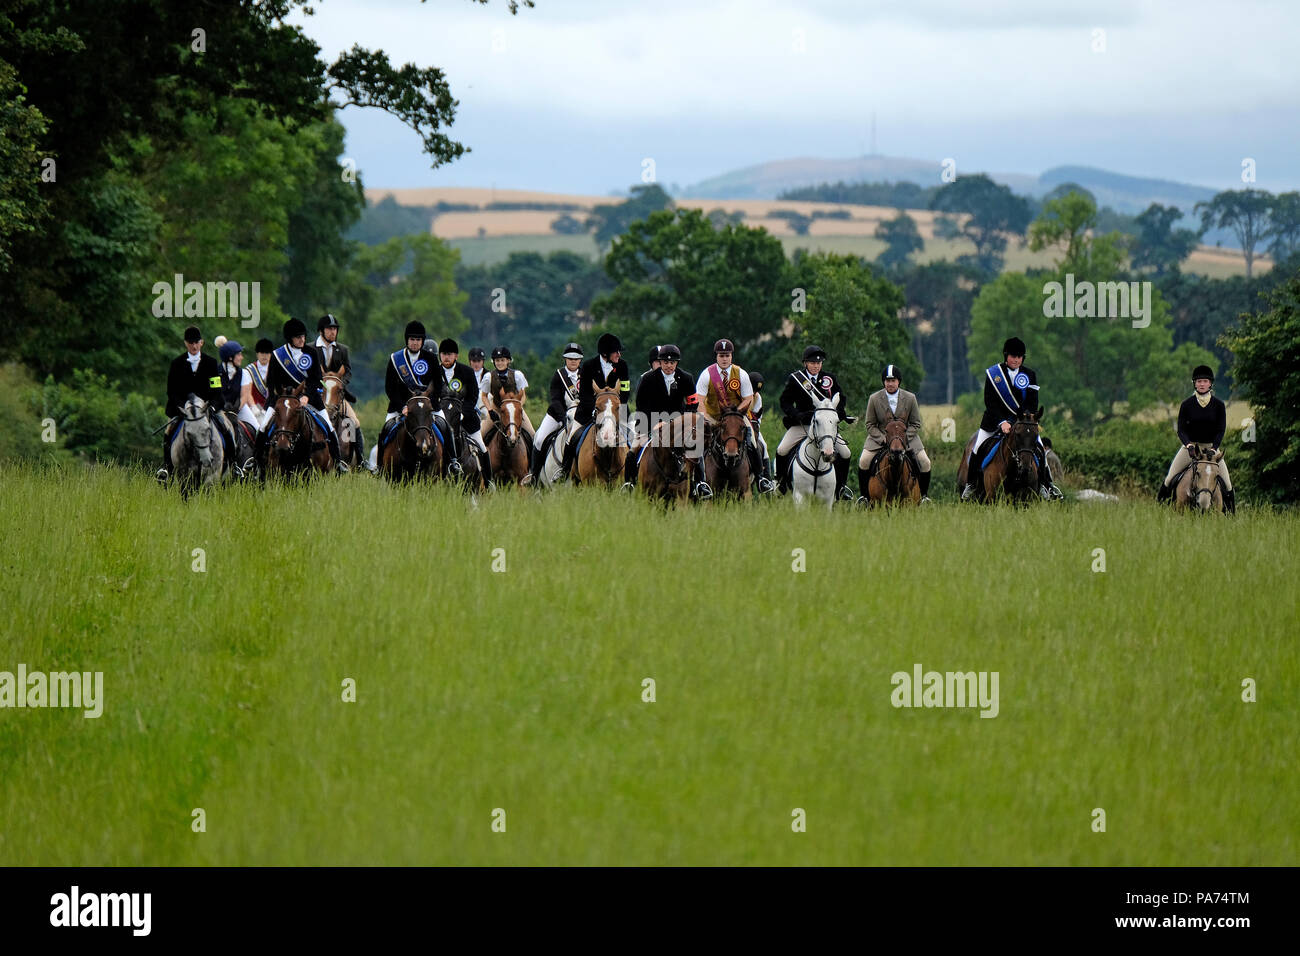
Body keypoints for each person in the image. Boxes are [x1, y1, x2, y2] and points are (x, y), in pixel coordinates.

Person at [962, 336, 1060, 501]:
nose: (1016, 360)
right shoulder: (994, 374)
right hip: (994, 421)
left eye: (1019, 356)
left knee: (1040, 451)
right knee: (977, 449)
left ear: (1023, 358)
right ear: (1006, 356)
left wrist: (1020, 421)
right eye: (1013, 356)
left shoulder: (1030, 374)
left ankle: (1046, 485)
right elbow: (990, 402)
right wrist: (1002, 422)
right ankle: (971, 485)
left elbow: (1033, 402)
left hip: (1022, 423)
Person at [258, 316, 343, 470]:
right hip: (282, 400)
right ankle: (256, 464)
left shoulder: (311, 352)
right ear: (290, 339)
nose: (302, 340)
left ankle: (338, 463)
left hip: (309, 399)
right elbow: (271, 381)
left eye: (303, 336)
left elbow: (316, 379)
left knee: (329, 428)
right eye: (298, 337)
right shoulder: (278, 355)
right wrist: (279, 397)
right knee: (263, 427)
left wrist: (306, 396)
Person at [694, 337, 773, 494]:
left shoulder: (741, 374)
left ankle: (761, 478)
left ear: (731, 356)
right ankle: (698, 482)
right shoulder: (706, 375)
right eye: (721, 355)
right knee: (695, 442)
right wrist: (708, 418)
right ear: (716, 356)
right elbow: (699, 402)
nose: (724, 359)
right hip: (713, 417)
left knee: (753, 440)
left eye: (727, 355)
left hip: (736, 417)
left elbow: (748, 398)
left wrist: (735, 413)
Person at [775, 345, 854, 500]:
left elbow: (841, 399)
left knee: (846, 453)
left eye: (819, 363)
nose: (816, 365)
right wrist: (797, 415)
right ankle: (781, 483)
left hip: (826, 428)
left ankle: (841, 488)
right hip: (803, 425)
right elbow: (785, 402)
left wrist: (837, 414)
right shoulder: (796, 379)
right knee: (782, 450)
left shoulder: (829, 379)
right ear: (805, 363)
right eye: (812, 363)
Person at [1157, 364, 1233, 512]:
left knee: (1228, 484)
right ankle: (1160, 509)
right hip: (1190, 449)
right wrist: (1188, 445)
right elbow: (1181, 430)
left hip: (1211, 449)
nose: (1202, 384)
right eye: (1199, 381)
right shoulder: (1187, 404)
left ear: (1210, 383)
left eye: (1205, 381)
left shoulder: (1219, 405)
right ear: (1194, 383)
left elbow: (1221, 430)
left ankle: (1231, 515)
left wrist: (1214, 448)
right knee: (1169, 478)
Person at [159, 325, 231, 482]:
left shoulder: (211, 363)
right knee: (168, 432)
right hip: (183, 409)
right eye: (190, 342)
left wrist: (211, 406)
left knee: (226, 428)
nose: (193, 346)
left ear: (202, 343)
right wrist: (182, 406)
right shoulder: (176, 364)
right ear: (186, 343)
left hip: (207, 407)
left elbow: (216, 390)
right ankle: (166, 468)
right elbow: (171, 392)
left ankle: (232, 464)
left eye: (196, 342)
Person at [368, 320, 439, 471]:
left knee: (445, 428)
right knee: (385, 430)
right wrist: (402, 406)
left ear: (422, 341)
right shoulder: (396, 359)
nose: (415, 343)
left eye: (418, 340)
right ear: (407, 340)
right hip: (401, 406)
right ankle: (380, 466)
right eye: (412, 339)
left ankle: (451, 462)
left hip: (426, 407)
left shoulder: (432, 358)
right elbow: (390, 388)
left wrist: (430, 404)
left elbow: (438, 385)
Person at [623, 343, 697, 489]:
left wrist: (681, 423)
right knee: (633, 451)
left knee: (696, 450)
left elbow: (692, 404)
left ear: (677, 363)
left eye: (672, 362)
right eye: (665, 362)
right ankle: (629, 483)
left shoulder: (687, 378)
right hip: (651, 424)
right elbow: (642, 407)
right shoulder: (648, 379)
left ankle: (699, 484)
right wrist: (653, 424)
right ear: (660, 362)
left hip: (679, 426)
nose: (669, 365)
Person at [560, 332, 631, 479]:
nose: (619, 354)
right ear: (605, 353)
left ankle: (632, 477)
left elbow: (625, 392)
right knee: (572, 437)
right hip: (588, 412)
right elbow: (585, 394)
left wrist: (615, 410)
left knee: (634, 439)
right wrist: (596, 410)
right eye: (616, 352)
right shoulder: (588, 366)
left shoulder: (623, 366)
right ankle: (564, 472)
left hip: (617, 411)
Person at [858, 364, 932, 502]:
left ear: (898, 381)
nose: (890, 383)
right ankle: (865, 497)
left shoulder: (910, 398)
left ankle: (923, 497)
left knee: (925, 462)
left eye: (893, 380)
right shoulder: (874, 398)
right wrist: (883, 439)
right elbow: (870, 424)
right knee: (863, 461)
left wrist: (902, 438)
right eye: (887, 380)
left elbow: (916, 423)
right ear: (884, 382)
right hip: (880, 436)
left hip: (906, 438)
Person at [432, 338, 491, 482]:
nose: (446, 357)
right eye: (444, 354)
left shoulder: (467, 372)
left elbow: (472, 396)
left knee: (482, 448)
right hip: (440, 418)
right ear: (440, 355)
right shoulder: (434, 372)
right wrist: (439, 413)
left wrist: (463, 414)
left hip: (466, 419)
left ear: (456, 356)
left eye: (450, 354)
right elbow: (432, 396)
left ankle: (489, 481)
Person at [534, 342, 584, 468]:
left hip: (580, 417)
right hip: (557, 415)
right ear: (565, 359)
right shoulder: (558, 375)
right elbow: (555, 400)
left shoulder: (586, 376)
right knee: (539, 440)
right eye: (570, 358)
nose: (573, 361)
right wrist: (563, 418)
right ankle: (534, 475)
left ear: (580, 360)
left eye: (576, 358)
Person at [238, 337, 274, 433]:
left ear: (271, 354)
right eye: (262, 353)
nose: (264, 356)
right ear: (257, 354)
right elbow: (247, 392)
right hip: (255, 409)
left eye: (267, 353)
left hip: (271, 408)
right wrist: (254, 408)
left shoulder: (276, 369)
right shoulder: (249, 370)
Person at [749, 370, 773, 486]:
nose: (753, 393)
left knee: (763, 445)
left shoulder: (757, 397)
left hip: (752, 427)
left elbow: (757, 419)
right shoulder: (738, 394)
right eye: (752, 390)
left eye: (756, 391)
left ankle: (765, 479)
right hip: (737, 423)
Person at [215, 338, 244, 412]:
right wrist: (223, 405)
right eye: (239, 355)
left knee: (255, 423)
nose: (242, 357)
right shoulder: (215, 373)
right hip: (218, 409)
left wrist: (236, 408)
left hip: (238, 408)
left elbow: (244, 395)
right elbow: (215, 393)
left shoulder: (242, 373)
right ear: (230, 358)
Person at [468, 347, 490, 421]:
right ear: (470, 361)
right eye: (474, 361)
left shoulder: (490, 376)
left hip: (485, 409)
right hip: (469, 409)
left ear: (483, 361)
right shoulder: (464, 375)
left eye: (479, 361)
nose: (476, 364)